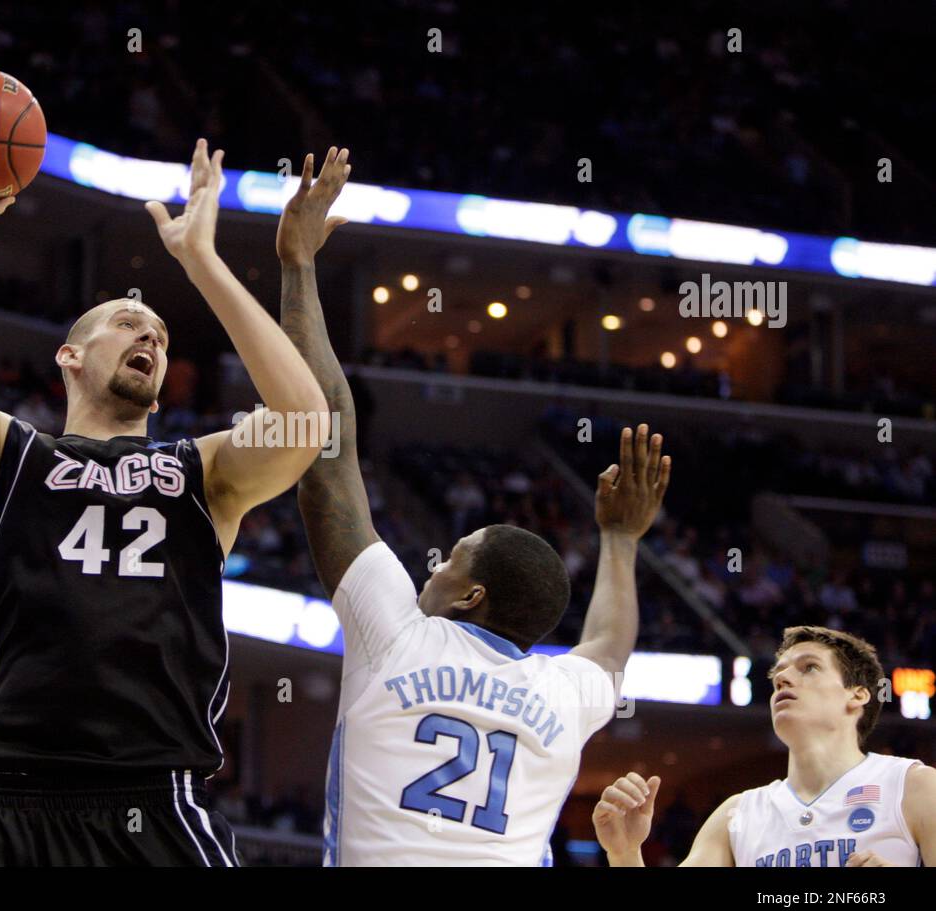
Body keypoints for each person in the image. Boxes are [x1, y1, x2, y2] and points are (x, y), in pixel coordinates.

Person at [0, 136, 329, 866]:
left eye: (159, 335)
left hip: (155, 802)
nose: (150, 338)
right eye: (128, 324)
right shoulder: (3, 454)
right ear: (69, 355)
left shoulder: (203, 471)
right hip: (11, 806)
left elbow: (308, 422)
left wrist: (202, 262)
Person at [276, 147, 670, 865]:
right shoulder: (559, 693)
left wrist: (299, 266)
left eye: (451, 561)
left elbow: (325, 453)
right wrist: (622, 540)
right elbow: (609, 648)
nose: (432, 570)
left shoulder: (397, 634)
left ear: (471, 594)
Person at [593, 626, 936, 866]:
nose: (783, 679)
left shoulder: (915, 787)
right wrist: (624, 854)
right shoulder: (735, 815)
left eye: (809, 668)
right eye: (778, 676)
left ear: (857, 693)